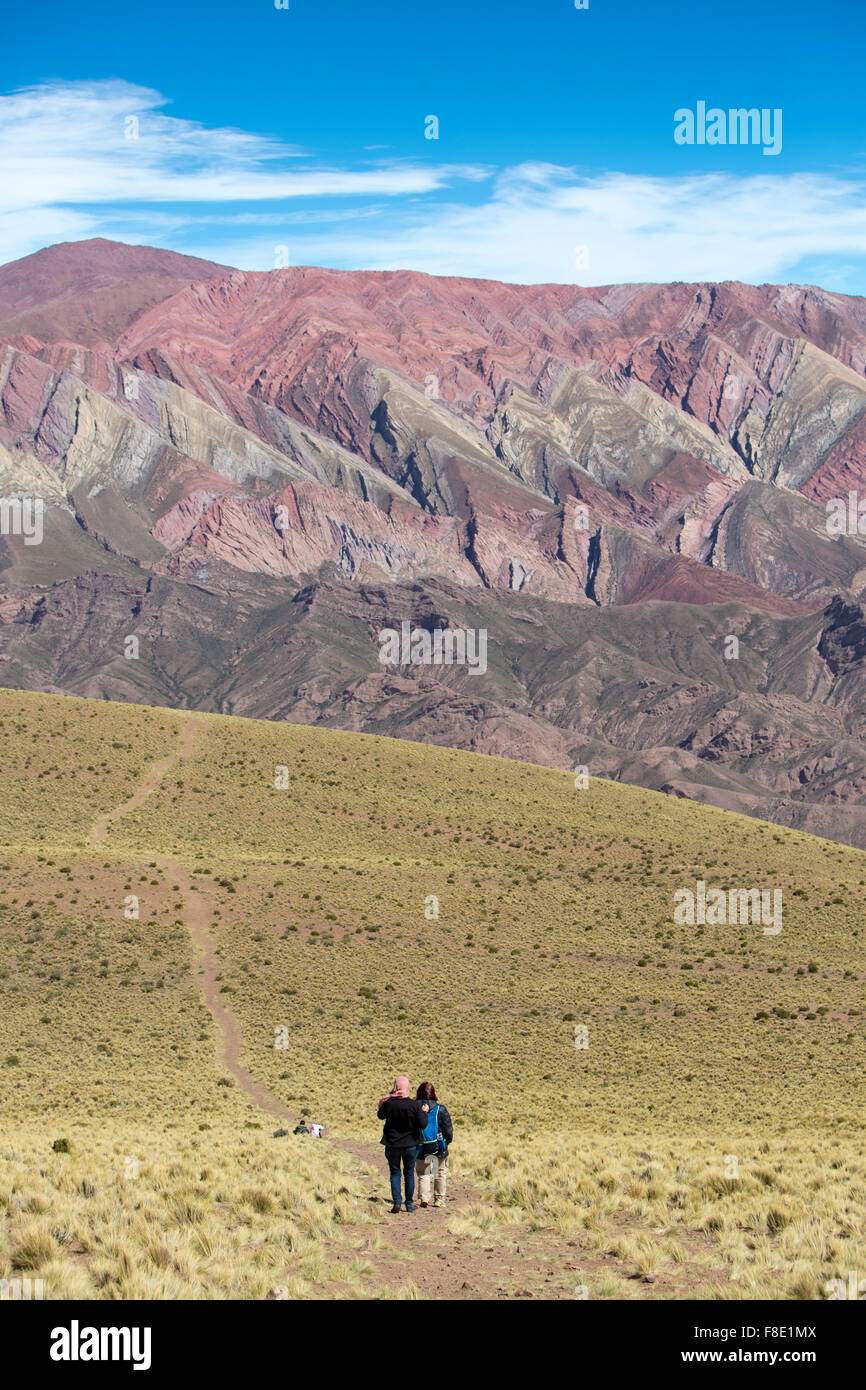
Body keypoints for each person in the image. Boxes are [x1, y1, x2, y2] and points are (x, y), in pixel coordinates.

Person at [377, 1075, 428, 1214]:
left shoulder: (389, 1103)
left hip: (392, 1144)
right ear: (407, 1088)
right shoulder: (413, 1105)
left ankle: (397, 1202)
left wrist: (383, 1102)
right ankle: (409, 1203)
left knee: (395, 1172)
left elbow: (380, 1116)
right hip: (410, 1145)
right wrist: (424, 1113)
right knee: (409, 1172)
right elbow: (423, 1125)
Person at [414, 1082, 453, 1208]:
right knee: (439, 1171)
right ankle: (439, 1199)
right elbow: (448, 1130)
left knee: (423, 1172)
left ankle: (424, 1198)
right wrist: (447, 1142)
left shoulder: (414, 1109)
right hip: (438, 1147)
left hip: (420, 1147)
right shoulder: (440, 1109)